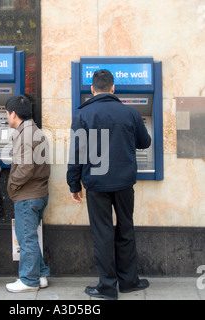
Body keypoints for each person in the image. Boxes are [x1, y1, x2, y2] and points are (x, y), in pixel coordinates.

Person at [67, 70, 151, 300]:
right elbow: (145, 142)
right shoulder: (131, 113)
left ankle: (107, 287)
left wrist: (74, 184)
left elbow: (76, 153)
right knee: (125, 228)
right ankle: (129, 281)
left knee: (102, 233)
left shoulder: (82, 115)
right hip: (124, 183)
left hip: (96, 184)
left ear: (92, 90)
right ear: (113, 89)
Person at [4, 95, 51, 293]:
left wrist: (12, 187)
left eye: (6, 114)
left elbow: (24, 168)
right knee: (30, 236)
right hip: (38, 193)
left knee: (26, 238)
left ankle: (29, 280)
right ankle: (40, 275)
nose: (6, 117)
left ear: (13, 114)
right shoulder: (36, 131)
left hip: (27, 195)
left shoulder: (25, 135)